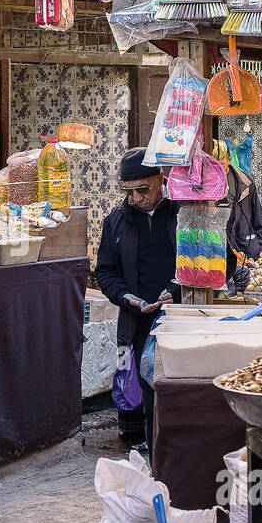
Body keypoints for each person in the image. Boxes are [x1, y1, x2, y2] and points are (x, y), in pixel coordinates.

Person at [95, 148, 182, 451]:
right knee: (139, 392)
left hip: (178, 321)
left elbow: (216, 261)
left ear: (161, 178)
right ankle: (146, 450)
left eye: (143, 189)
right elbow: (105, 272)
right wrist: (125, 296)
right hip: (135, 320)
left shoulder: (185, 211)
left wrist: (177, 290)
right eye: (128, 192)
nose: (135, 198)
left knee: (172, 390)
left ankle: (170, 453)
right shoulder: (116, 220)